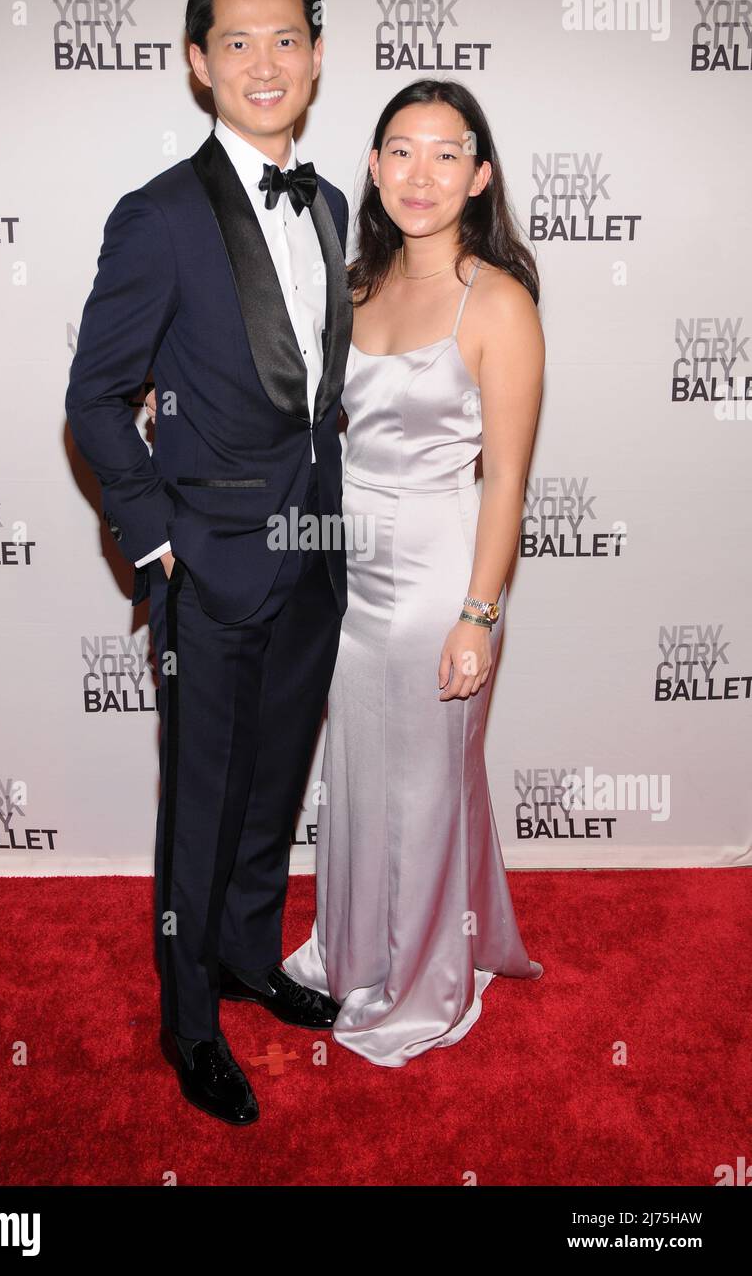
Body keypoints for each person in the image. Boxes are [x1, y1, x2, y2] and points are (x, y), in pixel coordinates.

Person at [65, 0, 353, 1126]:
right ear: (198, 64)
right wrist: (154, 539)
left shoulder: (333, 205)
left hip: (315, 553)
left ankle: (245, 954)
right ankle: (188, 1019)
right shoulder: (158, 217)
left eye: (285, 38)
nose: (263, 62)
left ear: (317, 53)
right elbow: (95, 398)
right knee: (200, 800)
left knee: (273, 784)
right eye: (235, 42)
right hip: (208, 564)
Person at [283, 79, 546, 1066]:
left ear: (478, 174)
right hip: (346, 569)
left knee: (428, 782)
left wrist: (478, 615)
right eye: (400, 149)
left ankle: (425, 980)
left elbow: (506, 482)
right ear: (372, 164)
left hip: (443, 566)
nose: (420, 173)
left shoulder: (499, 302)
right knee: (355, 773)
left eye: (446, 153)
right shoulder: (351, 288)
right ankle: (354, 948)